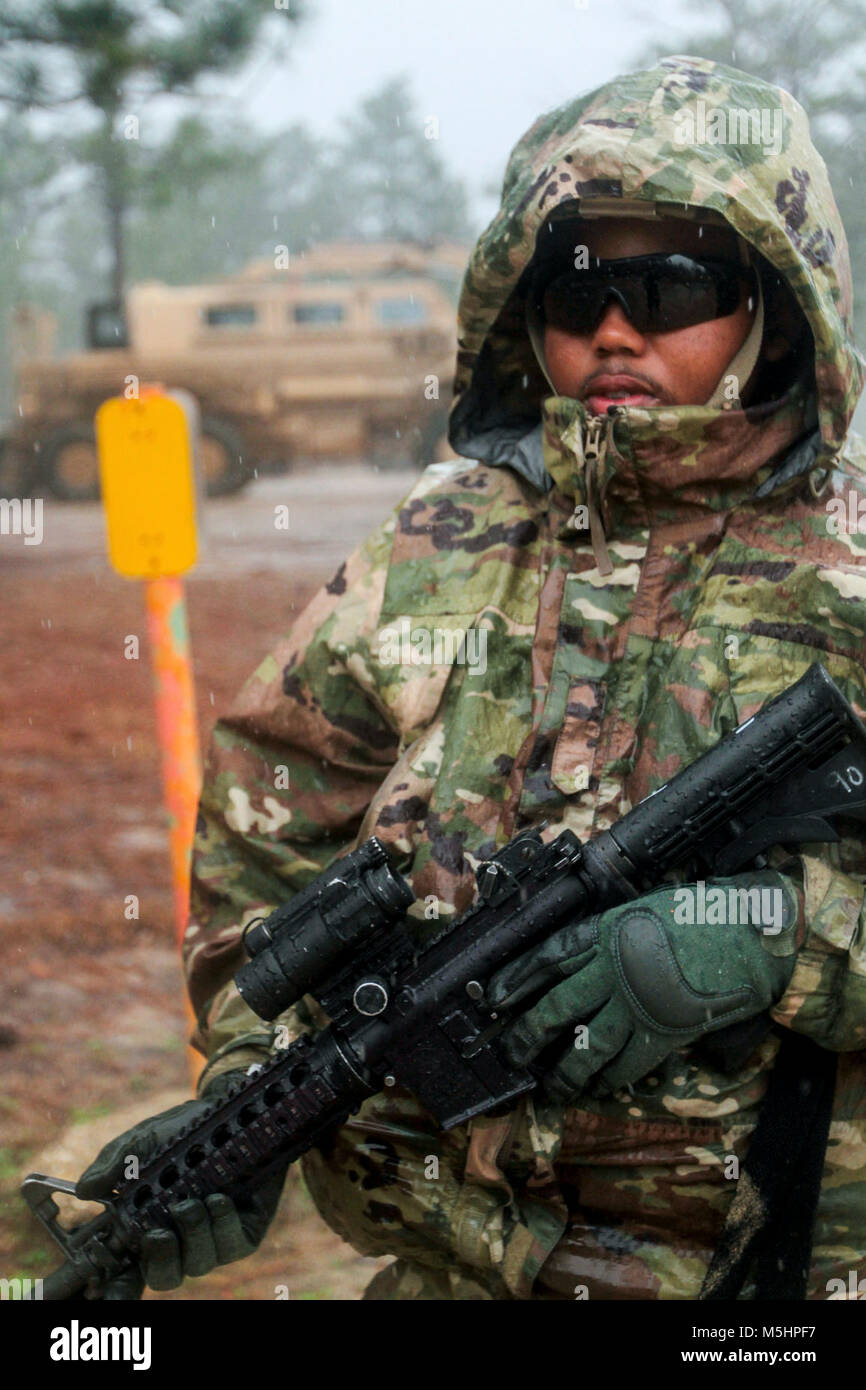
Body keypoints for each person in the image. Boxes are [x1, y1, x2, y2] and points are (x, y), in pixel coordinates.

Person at [77, 53, 866, 1300]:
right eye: (574, 287)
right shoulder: (434, 549)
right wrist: (245, 1095)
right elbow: (262, 847)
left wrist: (781, 941)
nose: (613, 327)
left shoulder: (850, 564)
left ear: (775, 294)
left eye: (670, 285)